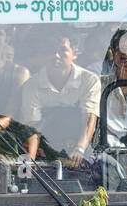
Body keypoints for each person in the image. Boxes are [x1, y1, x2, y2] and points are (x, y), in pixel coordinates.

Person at [21, 32, 100, 166]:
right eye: (52, 51)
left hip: (81, 148)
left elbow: (89, 119)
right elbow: (32, 127)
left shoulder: (89, 80)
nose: (56, 55)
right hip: (47, 151)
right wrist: (30, 162)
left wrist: (79, 150)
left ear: (74, 53)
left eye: (63, 50)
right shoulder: (32, 85)